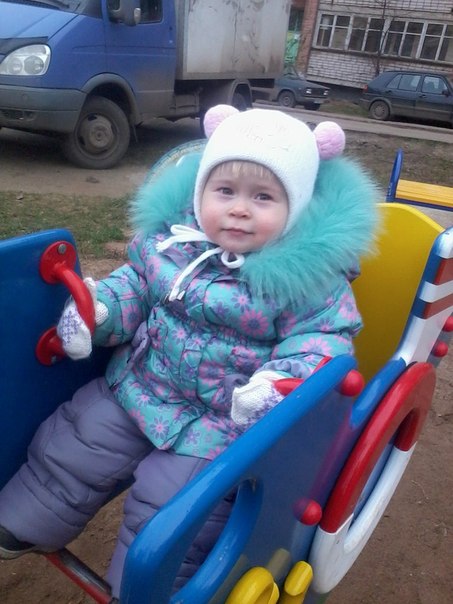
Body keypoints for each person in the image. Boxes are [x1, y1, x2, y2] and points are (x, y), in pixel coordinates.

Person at [0, 105, 380, 600]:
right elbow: (135, 285)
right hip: (141, 384)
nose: (239, 209)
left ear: (297, 207)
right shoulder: (171, 243)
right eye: (225, 191)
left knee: (174, 507)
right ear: (201, 192)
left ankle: (143, 590)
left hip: (220, 424)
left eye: (263, 197)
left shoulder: (309, 282)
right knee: (76, 441)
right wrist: (99, 312)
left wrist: (275, 388)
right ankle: (25, 521)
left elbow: (321, 343)